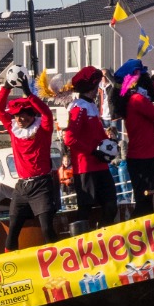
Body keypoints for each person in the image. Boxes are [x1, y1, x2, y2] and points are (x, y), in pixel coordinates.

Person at [0, 83, 57, 246]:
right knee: (13, 229)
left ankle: (59, 261)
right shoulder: (13, 128)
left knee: (46, 229)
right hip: (21, 187)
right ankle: (10, 263)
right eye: (16, 116)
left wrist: (29, 94)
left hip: (42, 184)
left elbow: (46, 112)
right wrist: (6, 87)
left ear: (32, 116)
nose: (19, 120)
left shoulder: (43, 128)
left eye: (23, 116)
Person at [63, 66, 117, 229]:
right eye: (96, 87)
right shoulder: (79, 107)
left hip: (99, 165)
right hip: (86, 167)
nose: (97, 90)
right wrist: (93, 150)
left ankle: (102, 236)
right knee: (85, 211)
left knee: (111, 206)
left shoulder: (91, 106)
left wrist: (109, 146)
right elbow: (69, 138)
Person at [119, 64, 154, 213]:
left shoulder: (135, 99)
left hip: (147, 157)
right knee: (145, 203)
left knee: (151, 201)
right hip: (143, 159)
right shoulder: (137, 100)